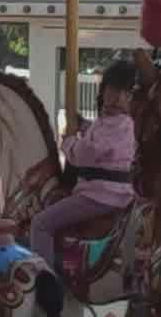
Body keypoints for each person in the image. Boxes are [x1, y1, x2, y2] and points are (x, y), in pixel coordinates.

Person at [24, 59, 141, 275]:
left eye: (126, 94)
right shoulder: (122, 123)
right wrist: (83, 126)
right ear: (104, 90)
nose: (118, 98)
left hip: (101, 195)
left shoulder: (118, 124)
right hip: (118, 193)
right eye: (113, 90)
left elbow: (82, 155)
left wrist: (68, 141)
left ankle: (45, 283)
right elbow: (100, 138)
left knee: (40, 223)